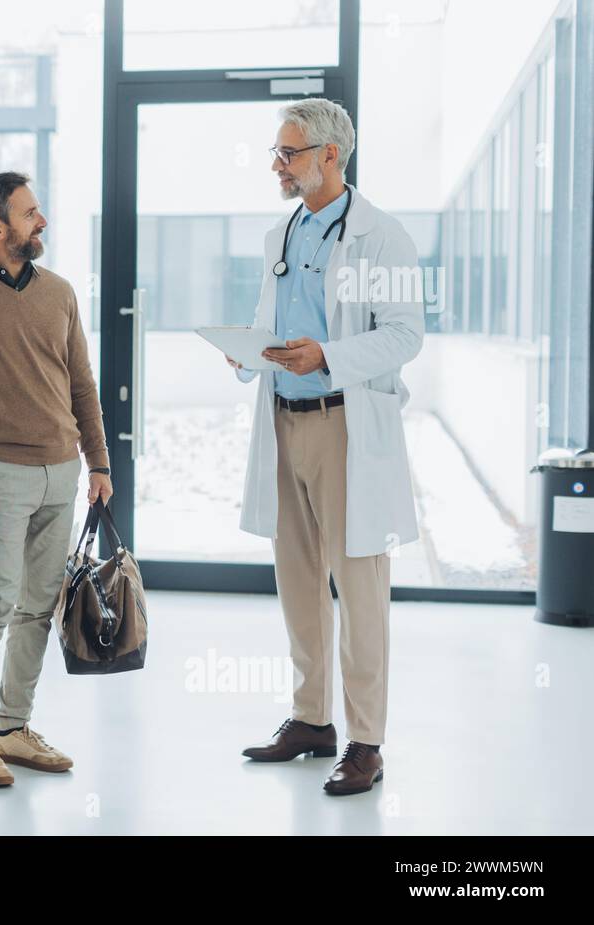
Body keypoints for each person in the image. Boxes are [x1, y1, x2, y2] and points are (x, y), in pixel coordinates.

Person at [228, 99, 424, 795]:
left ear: (329, 157)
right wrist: (248, 353)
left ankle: (365, 739)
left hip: (346, 422)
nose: (277, 165)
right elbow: (270, 316)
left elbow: (405, 335)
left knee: (360, 587)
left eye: (288, 153)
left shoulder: (382, 237)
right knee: (299, 580)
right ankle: (312, 720)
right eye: (278, 153)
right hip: (282, 419)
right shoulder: (279, 233)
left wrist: (328, 356)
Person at [0, 170, 112, 787]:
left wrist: (100, 462)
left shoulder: (59, 292)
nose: (44, 222)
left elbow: (81, 384)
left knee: (37, 606)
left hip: (62, 469)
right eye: (32, 213)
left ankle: (12, 727)